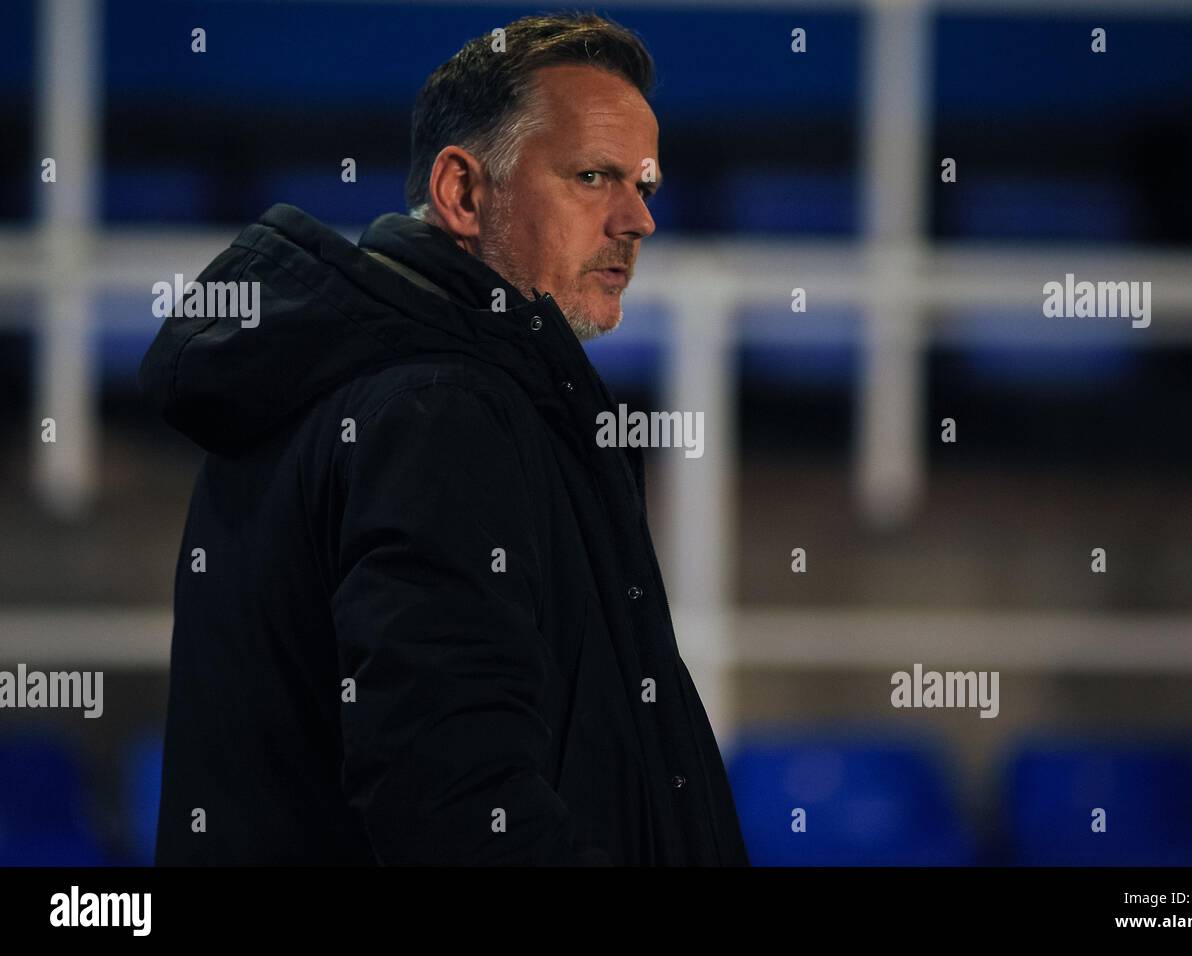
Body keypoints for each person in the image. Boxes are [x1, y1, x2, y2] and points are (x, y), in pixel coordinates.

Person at [141, 11, 749, 866]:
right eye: (591, 176)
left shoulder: (370, 386)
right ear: (464, 192)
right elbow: (459, 804)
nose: (638, 219)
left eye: (643, 184)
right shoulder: (439, 411)